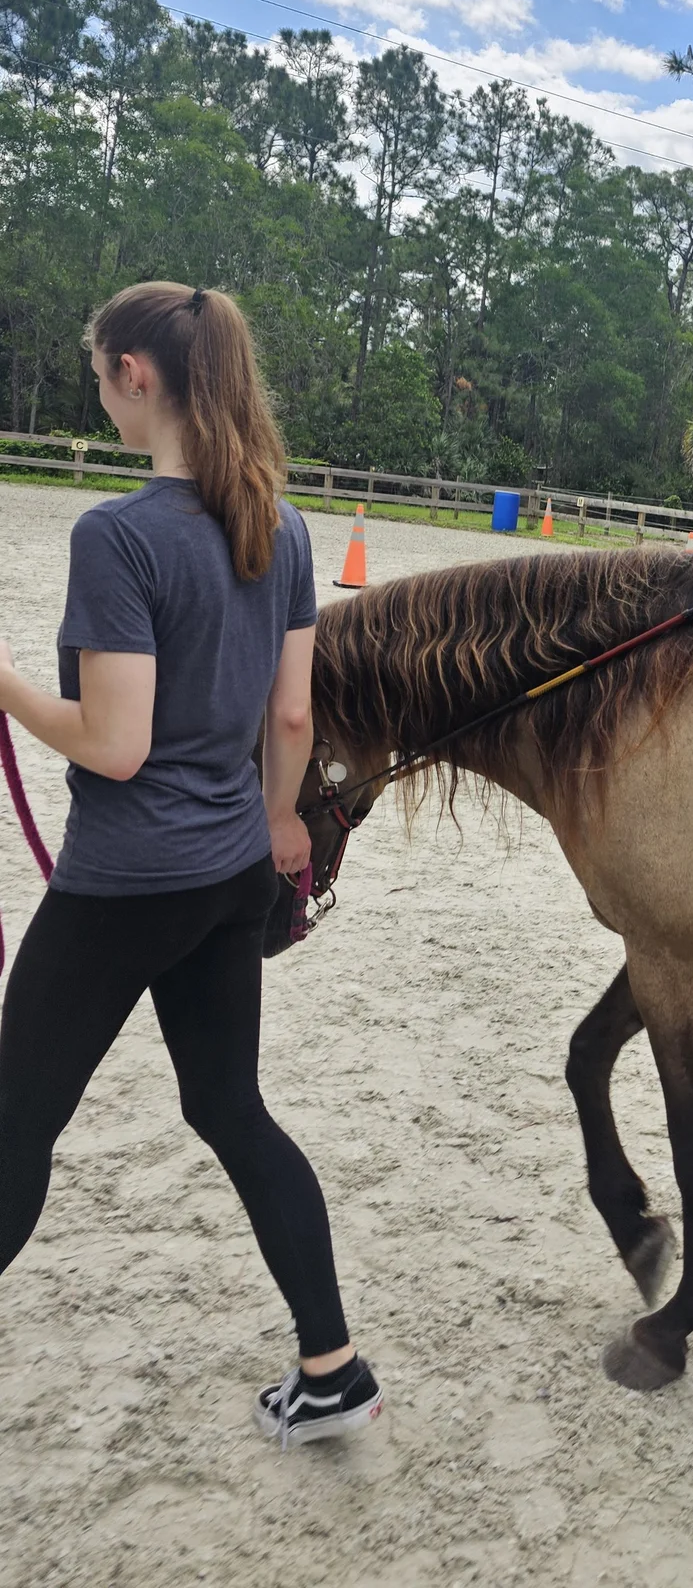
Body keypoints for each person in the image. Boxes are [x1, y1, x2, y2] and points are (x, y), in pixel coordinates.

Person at [0, 281, 381, 1448]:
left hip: (125, 883)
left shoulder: (115, 533)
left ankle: (331, 1365)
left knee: (14, 1125)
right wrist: (275, 820)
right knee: (230, 1106)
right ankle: (331, 1364)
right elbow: (296, 717)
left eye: (96, 371)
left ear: (135, 375)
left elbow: (114, 743)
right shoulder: (288, 522)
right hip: (229, 875)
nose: (98, 393)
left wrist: (9, 688)